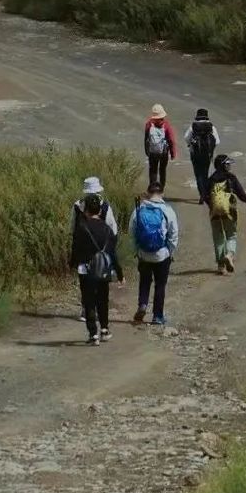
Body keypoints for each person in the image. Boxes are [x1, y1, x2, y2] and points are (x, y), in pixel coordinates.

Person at [69, 190, 124, 344]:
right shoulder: (107, 230)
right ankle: (105, 330)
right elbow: (113, 253)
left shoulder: (81, 228)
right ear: (100, 210)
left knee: (89, 300)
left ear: (85, 210)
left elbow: (76, 249)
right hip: (104, 269)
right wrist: (119, 273)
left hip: (85, 269)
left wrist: (72, 264)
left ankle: (93, 334)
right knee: (103, 299)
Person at [130, 182, 179, 327]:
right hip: (162, 254)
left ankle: (143, 305)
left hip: (143, 253)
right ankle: (157, 316)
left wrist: (136, 251)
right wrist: (170, 251)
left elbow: (132, 232)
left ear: (148, 193)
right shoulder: (167, 210)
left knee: (144, 281)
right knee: (160, 285)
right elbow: (173, 234)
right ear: (162, 194)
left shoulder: (139, 209)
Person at [205, 153, 246, 274]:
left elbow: (204, 196)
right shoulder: (231, 178)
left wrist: (212, 205)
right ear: (224, 165)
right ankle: (229, 255)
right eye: (228, 164)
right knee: (231, 235)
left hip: (214, 212)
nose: (230, 166)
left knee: (218, 237)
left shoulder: (211, 180)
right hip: (229, 212)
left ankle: (221, 266)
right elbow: (242, 195)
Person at [185, 108, 219, 204]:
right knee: (205, 174)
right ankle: (206, 194)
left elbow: (186, 138)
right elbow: (217, 141)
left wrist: (191, 145)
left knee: (198, 174)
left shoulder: (193, 126)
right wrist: (210, 148)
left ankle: (202, 195)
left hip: (195, 154)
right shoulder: (211, 127)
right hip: (207, 155)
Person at [143, 104, 177, 193]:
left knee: (153, 171)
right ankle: (161, 190)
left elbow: (146, 138)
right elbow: (171, 140)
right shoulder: (166, 125)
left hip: (153, 152)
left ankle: (152, 190)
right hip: (164, 152)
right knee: (162, 171)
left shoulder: (149, 124)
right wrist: (173, 153)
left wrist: (147, 150)